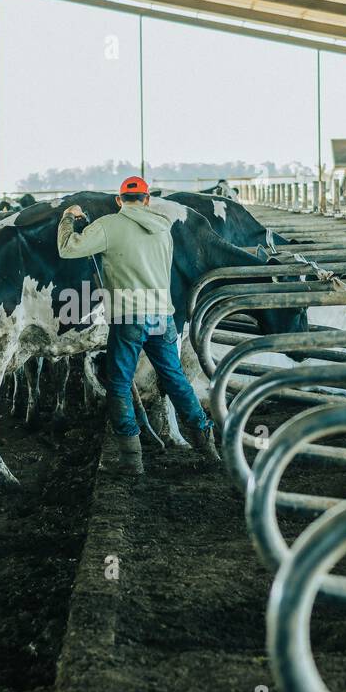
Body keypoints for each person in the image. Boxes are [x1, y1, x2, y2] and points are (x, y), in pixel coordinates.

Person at [57, 176, 219, 475]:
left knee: (119, 383)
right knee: (175, 379)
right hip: (162, 316)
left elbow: (67, 248)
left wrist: (69, 217)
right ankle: (207, 445)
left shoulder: (109, 225)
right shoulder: (164, 227)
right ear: (147, 199)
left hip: (129, 317)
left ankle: (132, 460)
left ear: (119, 200)